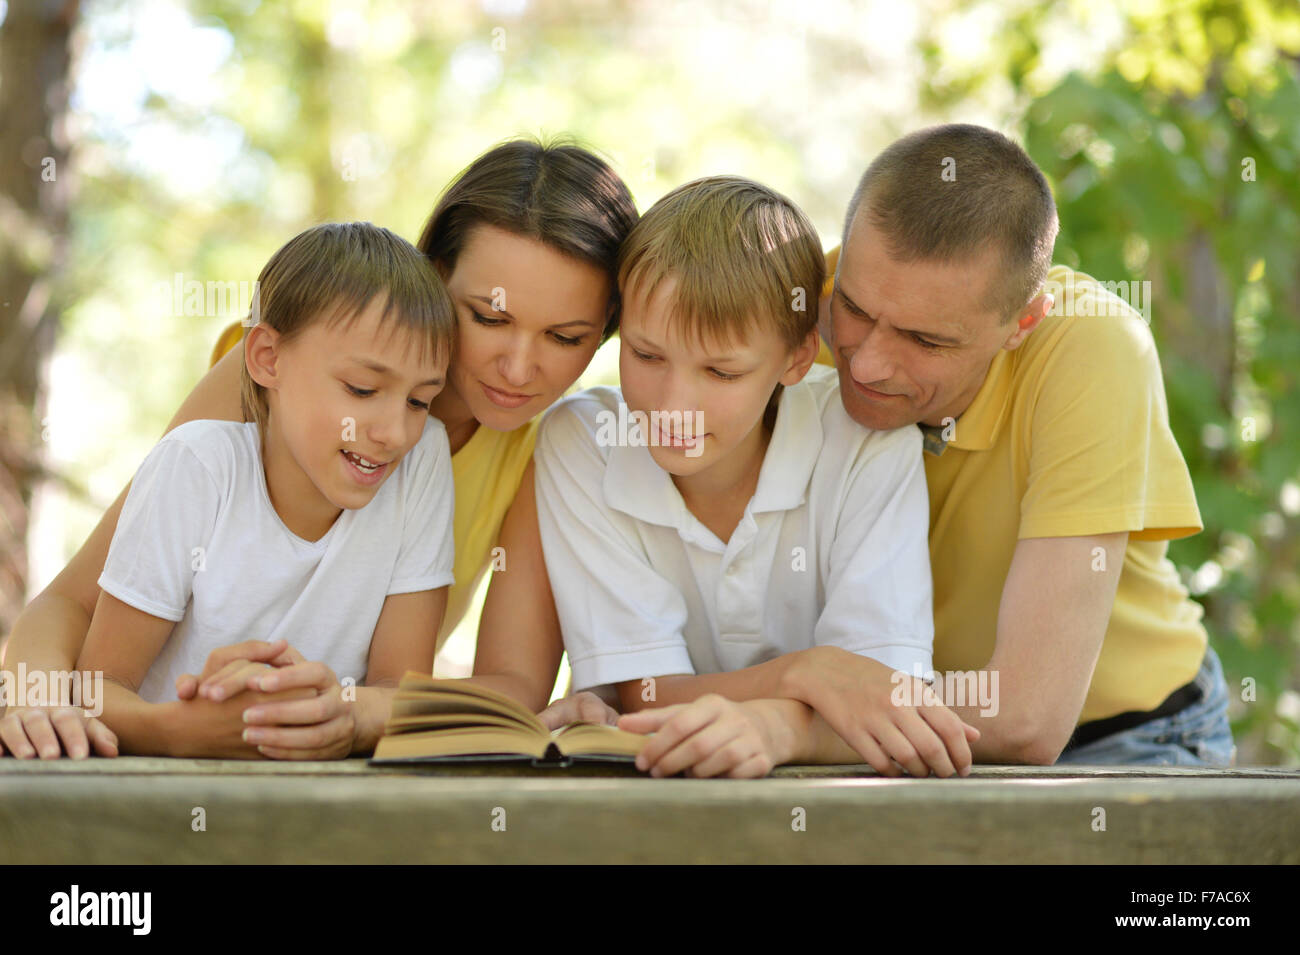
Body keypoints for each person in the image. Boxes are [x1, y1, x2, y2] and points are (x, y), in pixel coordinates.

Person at [0, 138, 638, 759]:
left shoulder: (550, 445)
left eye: (564, 336)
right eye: (489, 318)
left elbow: (508, 685)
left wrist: (352, 714)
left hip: (324, 749)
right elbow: (75, 600)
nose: (519, 369)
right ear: (437, 277)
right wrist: (36, 695)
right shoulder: (285, 374)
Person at [813, 124, 1233, 765]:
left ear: (1022, 322)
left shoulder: (1092, 346)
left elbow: (1025, 715)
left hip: (1122, 739)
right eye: (854, 309)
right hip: (892, 732)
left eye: (925, 342)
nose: (866, 364)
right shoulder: (801, 299)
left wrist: (786, 722)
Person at [534, 175, 979, 779]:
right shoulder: (582, 443)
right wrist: (807, 673)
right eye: (646, 355)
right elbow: (644, 693)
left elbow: (879, 700)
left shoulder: (867, 444)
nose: (672, 407)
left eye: (720, 373)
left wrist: (786, 716)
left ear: (797, 357)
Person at [75, 222, 456, 757]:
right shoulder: (196, 466)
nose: (395, 432)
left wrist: (342, 712)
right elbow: (97, 688)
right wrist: (179, 729)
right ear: (267, 359)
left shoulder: (422, 460)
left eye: (420, 401)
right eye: (362, 389)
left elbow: (402, 690)